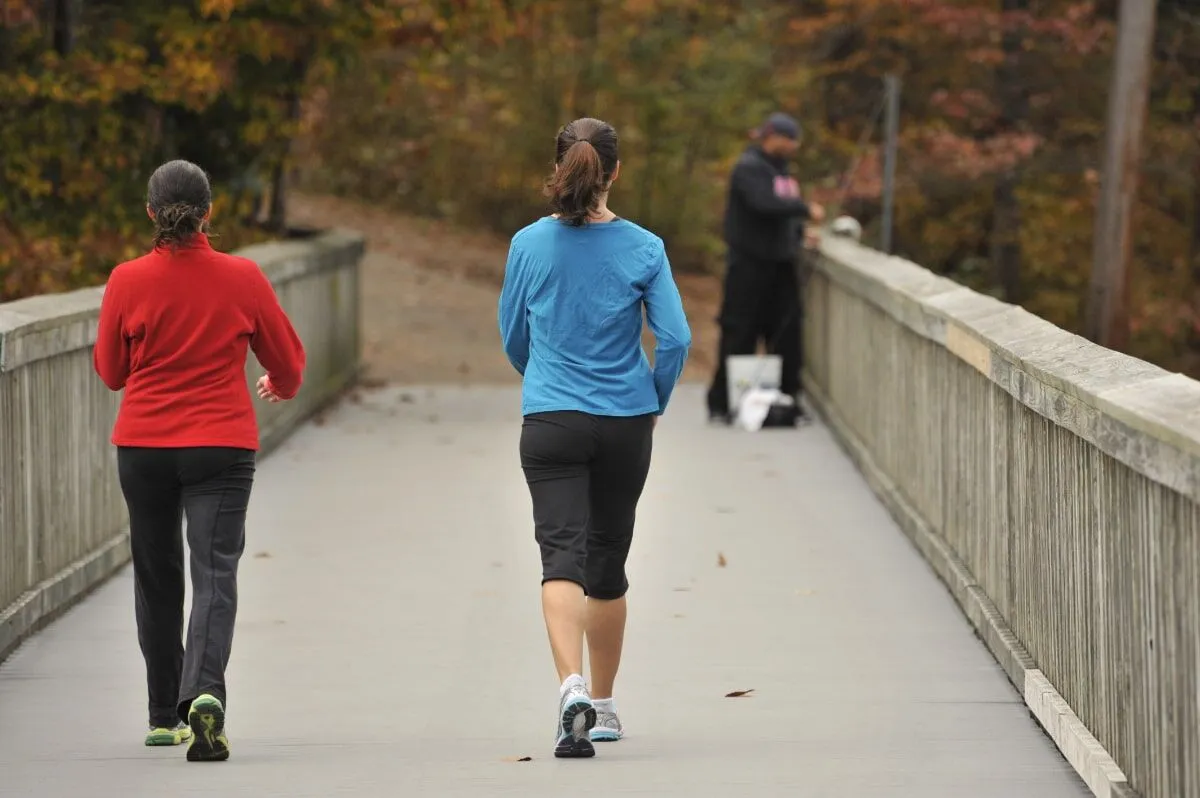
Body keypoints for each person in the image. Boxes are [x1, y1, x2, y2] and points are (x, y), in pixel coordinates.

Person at [93, 159, 306, 762]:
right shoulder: (243, 277)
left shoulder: (126, 280)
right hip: (220, 445)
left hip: (143, 447)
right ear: (210, 213)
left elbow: (111, 373)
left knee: (157, 577)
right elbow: (287, 362)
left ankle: (163, 717)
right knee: (214, 572)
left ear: (151, 214)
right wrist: (279, 387)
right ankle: (205, 693)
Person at [498, 117, 692, 759]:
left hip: (551, 419)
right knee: (608, 560)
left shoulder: (528, 244)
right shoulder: (645, 247)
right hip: (624, 422)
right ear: (614, 171)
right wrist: (652, 398)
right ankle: (603, 707)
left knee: (560, 557)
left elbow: (512, 336)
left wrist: (548, 382)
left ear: (560, 168)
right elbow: (677, 338)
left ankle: (570, 687)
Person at [705, 111, 825, 423]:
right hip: (748, 266)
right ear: (774, 138)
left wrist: (799, 232)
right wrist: (804, 209)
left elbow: (778, 216)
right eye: (791, 140)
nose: (794, 147)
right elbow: (763, 204)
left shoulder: (782, 172)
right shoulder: (749, 168)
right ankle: (723, 403)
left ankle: (787, 401)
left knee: (787, 334)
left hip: (780, 266)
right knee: (739, 333)